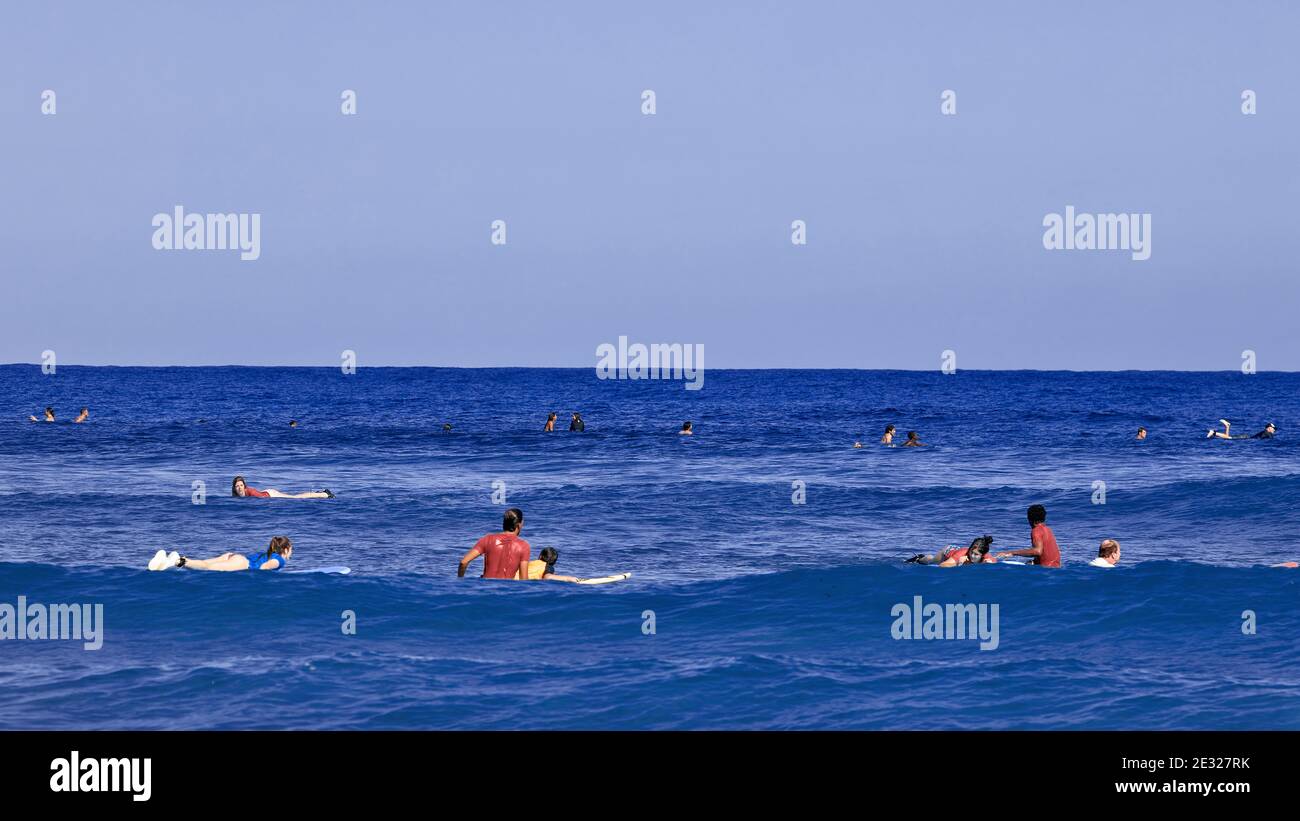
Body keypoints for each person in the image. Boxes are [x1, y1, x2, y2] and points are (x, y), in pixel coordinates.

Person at [458, 508, 531, 580]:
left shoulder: (488, 539)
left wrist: (460, 580)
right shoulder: (523, 546)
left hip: (486, 587)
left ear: (504, 523)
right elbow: (523, 579)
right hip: (507, 589)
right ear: (519, 525)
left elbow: (463, 562)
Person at [148, 535, 293, 572]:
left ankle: (175, 559)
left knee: (205, 564)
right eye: (291, 549)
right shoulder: (280, 560)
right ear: (285, 549)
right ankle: (176, 561)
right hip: (242, 563)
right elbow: (264, 568)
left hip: (234, 556)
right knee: (207, 568)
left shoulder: (267, 554)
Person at [994, 504, 1061, 567]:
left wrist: (1012, 553)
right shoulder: (1048, 530)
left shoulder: (1036, 530)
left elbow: (1037, 551)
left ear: (1029, 518)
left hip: (1046, 570)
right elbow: (1046, 554)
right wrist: (1034, 562)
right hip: (1056, 569)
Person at [906, 536, 996, 566]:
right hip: (947, 552)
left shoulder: (988, 559)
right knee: (930, 561)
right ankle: (920, 558)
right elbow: (943, 565)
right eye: (971, 552)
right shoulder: (962, 555)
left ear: (983, 555)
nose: (972, 555)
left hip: (957, 550)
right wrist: (959, 564)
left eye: (976, 554)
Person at [231, 475, 333, 499]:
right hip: (265, 492)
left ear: (244, 486)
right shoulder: (236, 496)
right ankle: (318, 492)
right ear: (234, 488)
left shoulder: (250, 491)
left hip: (271, 494)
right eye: (237, 486)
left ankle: (325, 494)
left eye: (241, 485)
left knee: (295, 497)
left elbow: (262, 499)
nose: (239, 487)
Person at [515, 546, 582, 582]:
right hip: (524, 585)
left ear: (540, 556)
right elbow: (548, 577)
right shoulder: (548, 567)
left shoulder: (530, 563)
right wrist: (569, 578)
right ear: (554, 563)